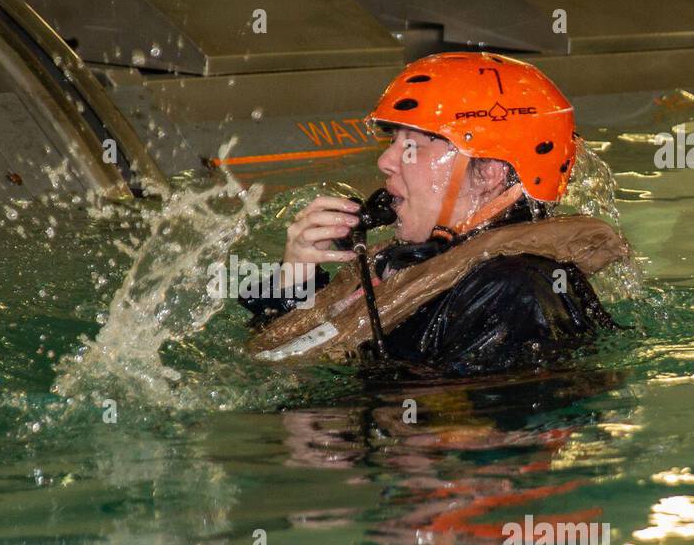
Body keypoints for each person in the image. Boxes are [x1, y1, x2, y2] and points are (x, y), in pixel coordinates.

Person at [239, 52, 621, 376]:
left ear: (489, 172)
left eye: (413, 146)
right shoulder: (421, 265)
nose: (387, 161)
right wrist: (295, 280)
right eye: (393, 142)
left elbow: (470, 428)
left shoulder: (512, 293)